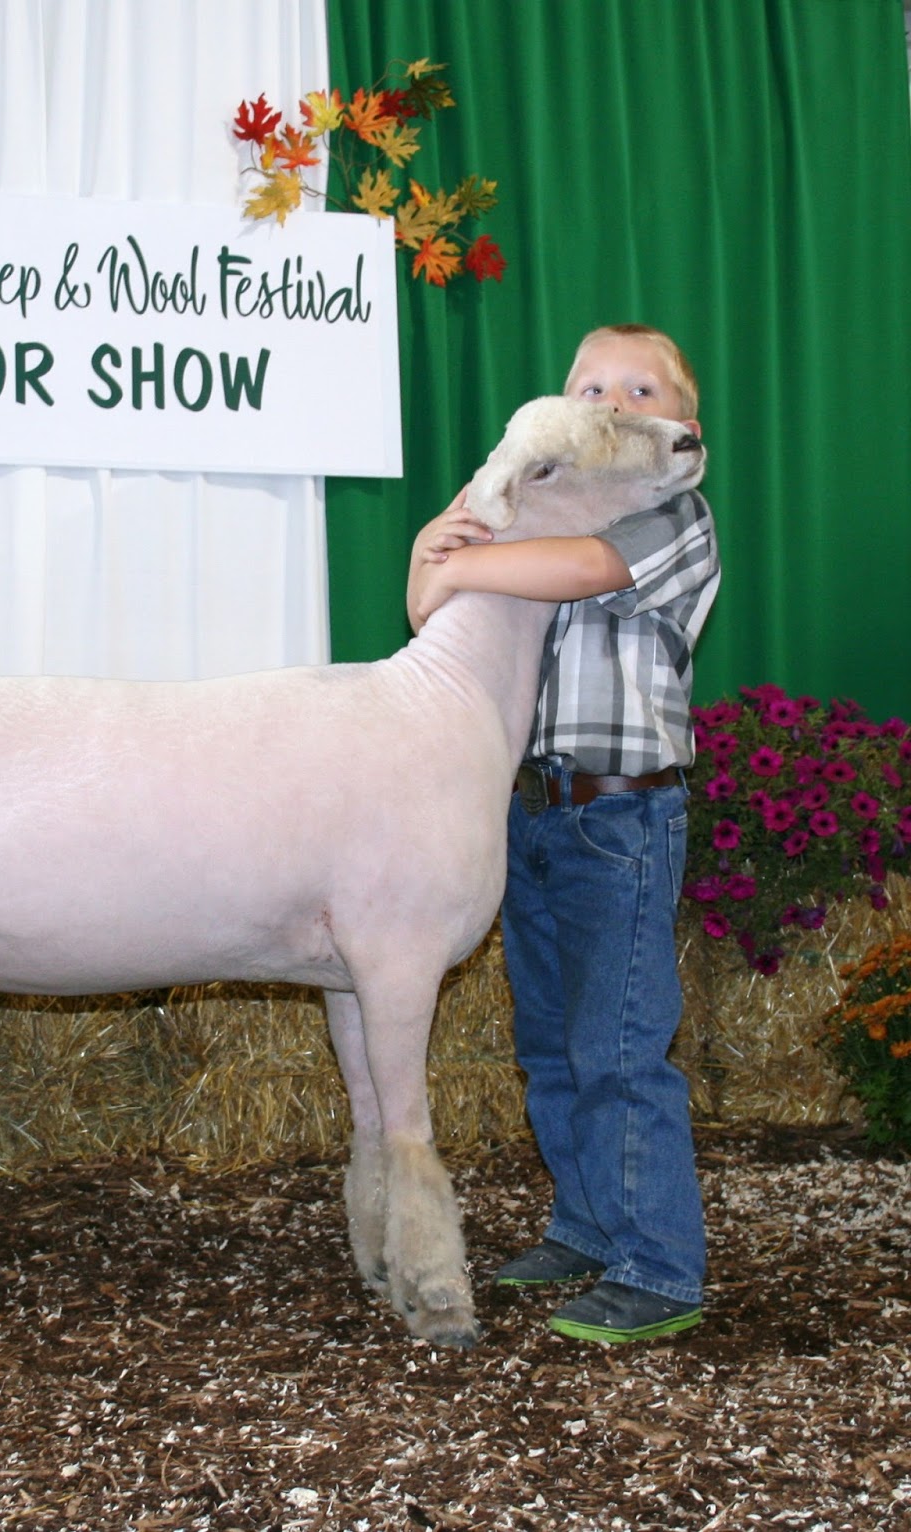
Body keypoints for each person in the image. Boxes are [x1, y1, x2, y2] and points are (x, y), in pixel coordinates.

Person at [407, 324, 720, 1344]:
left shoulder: (674, 513)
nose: (612, 403)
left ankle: (658, 1265)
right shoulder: (536, 506)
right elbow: (424, 596)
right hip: (533, 809)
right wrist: (439, 552)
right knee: (549, 1042)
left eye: (641, 389)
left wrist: (464, 563)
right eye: (591, 387)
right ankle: (585, 1225)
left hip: (621, 813)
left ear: (683, 424)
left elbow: (586, 567)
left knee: (618, 1046)